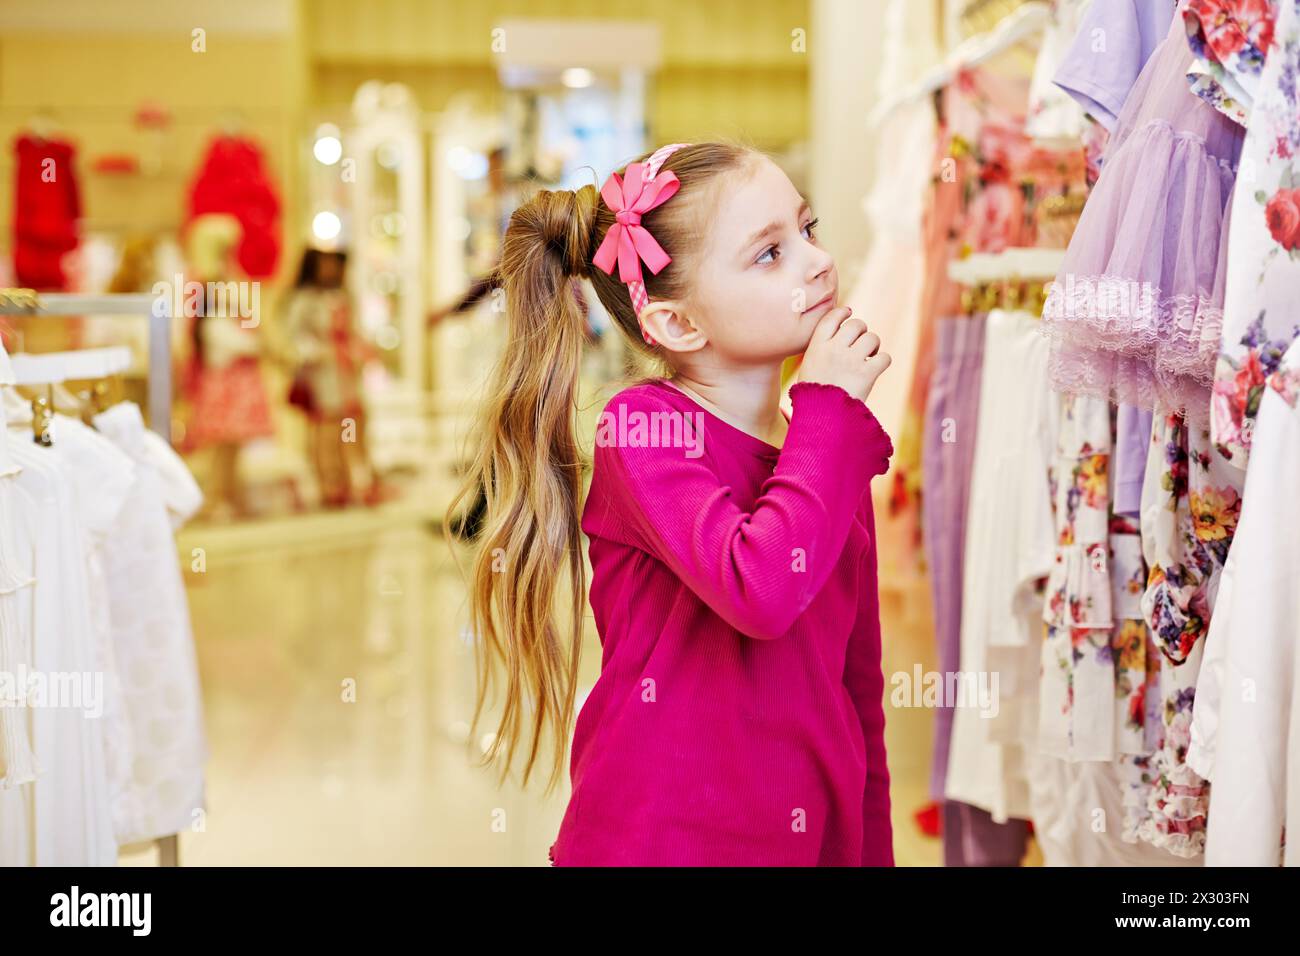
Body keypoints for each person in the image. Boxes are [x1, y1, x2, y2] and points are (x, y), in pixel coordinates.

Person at [450, 141, 896, 866]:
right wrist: (828, 407)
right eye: (769, 254)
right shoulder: (644, 432)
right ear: (679, 325)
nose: (817, 261)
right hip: (656, 841)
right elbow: (762, 588)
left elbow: (859, 689)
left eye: (807, 230)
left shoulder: (826, 446)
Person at [282, 248, 385, 508]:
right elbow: (294, 336)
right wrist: (316, 353)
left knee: (354, 425)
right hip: (323, 374)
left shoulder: (341, 296)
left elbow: (353, 330)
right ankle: (330, 482)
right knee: (327, 429)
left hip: (347, 370)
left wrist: (360, 350)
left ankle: (356, 479)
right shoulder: (303, 300)